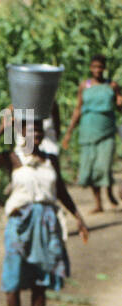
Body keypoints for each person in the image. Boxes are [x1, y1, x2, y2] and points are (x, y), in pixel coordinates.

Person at [0, 113, 89, 306]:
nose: (36, 135)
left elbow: (60, 190)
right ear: (21, 134)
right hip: (20, 223)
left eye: (39, 131)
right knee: (14, 276)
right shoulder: (13, 158)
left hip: (46, 223)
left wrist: (78, 217)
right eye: (30, 131)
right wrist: (1, 128)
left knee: (41, 277)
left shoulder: (49, 159)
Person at [62, 55, 122, 214]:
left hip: (106, 130)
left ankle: (109, 192)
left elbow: (119, 105)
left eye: (100, 67)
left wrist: (120, 102)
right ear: (90, 67)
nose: (97, 70)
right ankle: (98, 203)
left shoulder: (112, 85)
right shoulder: (85, 86)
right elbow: (78, 109)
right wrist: (69, 133)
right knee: (91, 167)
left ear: (104, 68)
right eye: (94, 66)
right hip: (88, 130)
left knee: (105, 164)